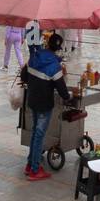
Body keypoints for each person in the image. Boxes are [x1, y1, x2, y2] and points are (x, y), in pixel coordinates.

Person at [23, 33, 69, 181]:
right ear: (58, 49)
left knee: (35, 133)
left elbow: (24, 76)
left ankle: (30, 164)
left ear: (48, 44)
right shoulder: (54, 65)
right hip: (44, 105)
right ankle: (35, 170)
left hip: (32, 101)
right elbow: (62, 89)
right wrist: (68, 97)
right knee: (39, 135)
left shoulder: (35, 56)